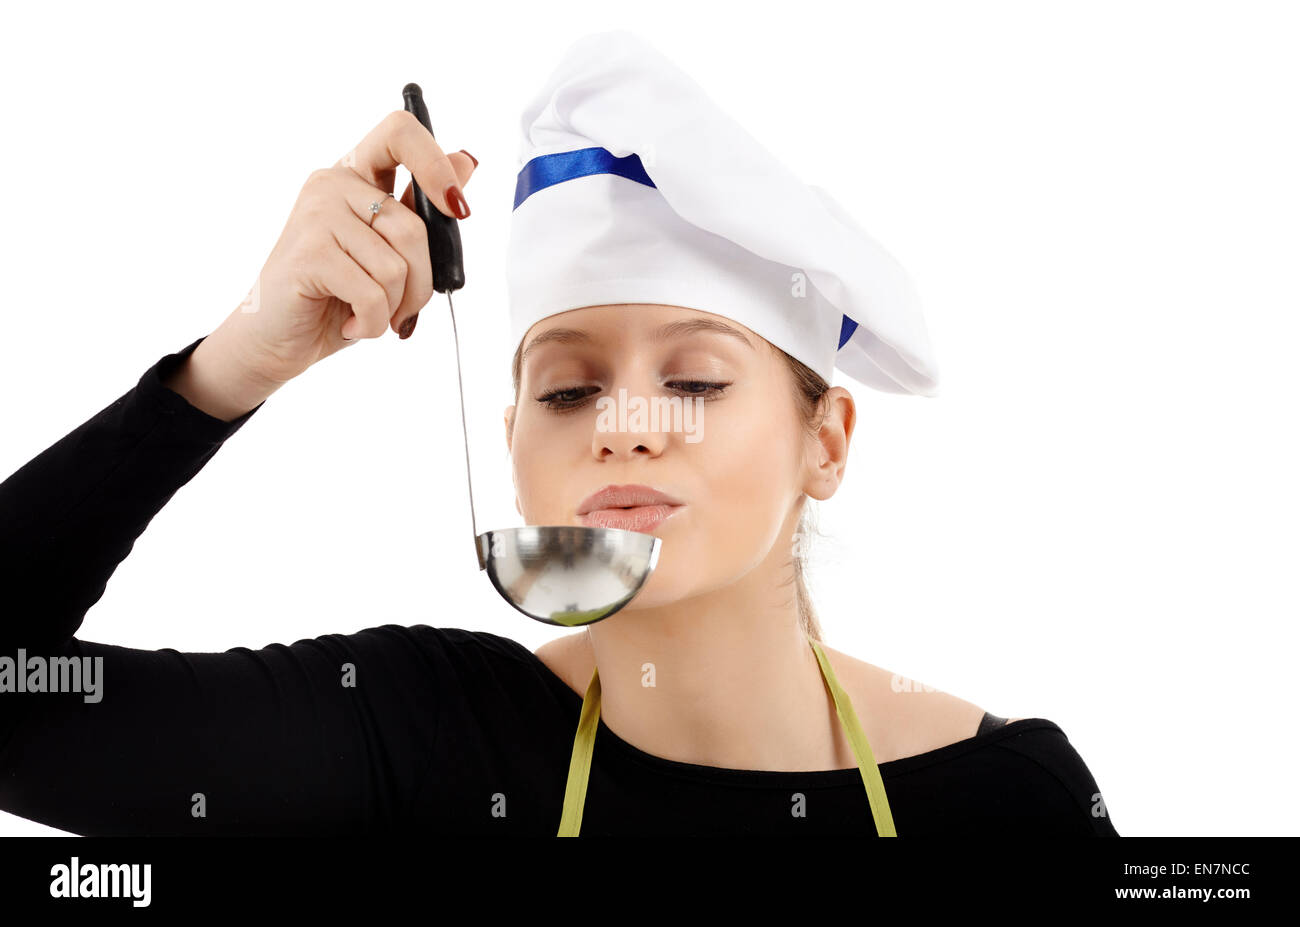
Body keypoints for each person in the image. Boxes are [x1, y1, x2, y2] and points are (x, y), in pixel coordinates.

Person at [0, 30, 1118, 837]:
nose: (623, 431)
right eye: (569, 392)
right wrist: (231, 367)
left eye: (690, 380)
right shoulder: (420, 740)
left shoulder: (1010, 803)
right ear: (512, 445)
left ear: (824, 442)